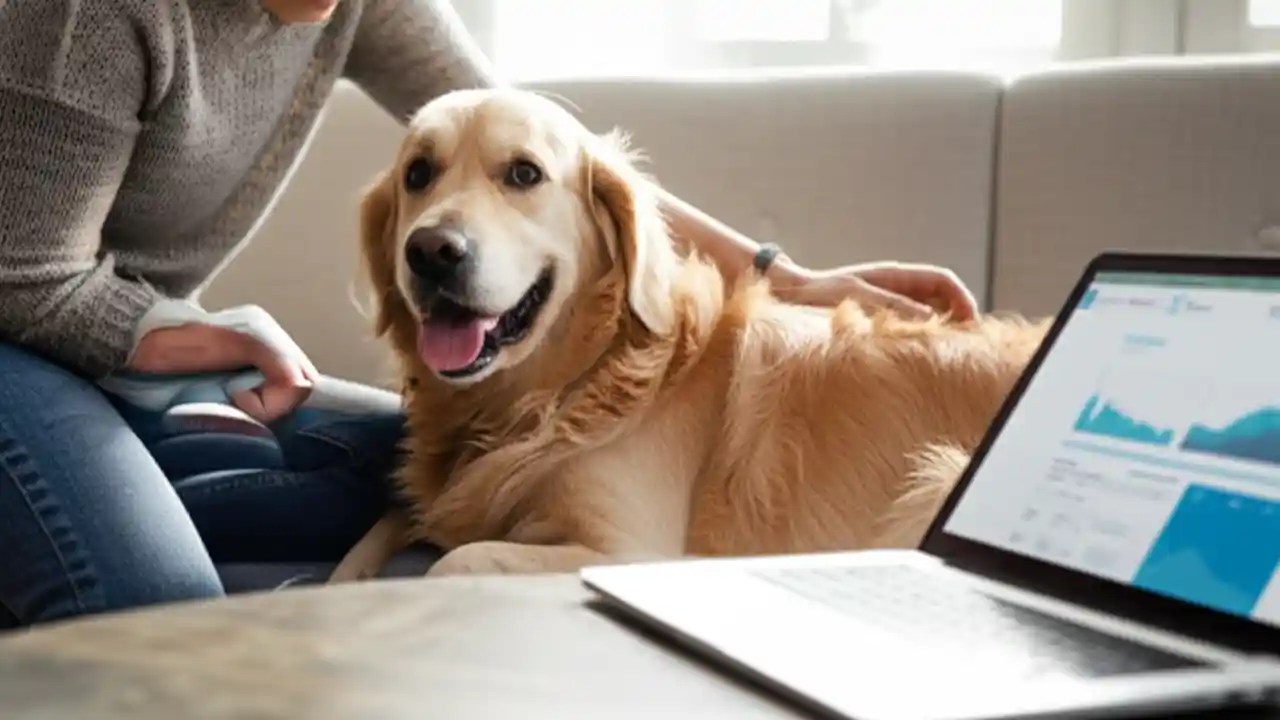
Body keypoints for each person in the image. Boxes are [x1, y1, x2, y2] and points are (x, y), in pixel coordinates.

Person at [0, 0, 980, 629]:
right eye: (422, 185)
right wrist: (200, 333)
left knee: (416, 474)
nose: (438, 232)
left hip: (125, 349)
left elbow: (557, 152)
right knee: (155, 610)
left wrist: (789, 276)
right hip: (21, 337)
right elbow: (23, 281)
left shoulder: (356, 4)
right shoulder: (94, 17)